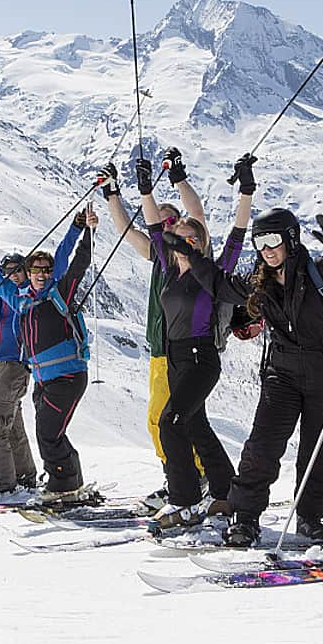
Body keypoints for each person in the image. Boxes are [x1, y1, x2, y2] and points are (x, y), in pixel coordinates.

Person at [177, 207, 323, 547]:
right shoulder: (259, 280)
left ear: (290, 238)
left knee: (318, 451)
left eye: (273, 240)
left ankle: (311, 518)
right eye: (260, 242)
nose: (266, 249)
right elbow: (218, 284)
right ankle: (244, 516)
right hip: (282, 374)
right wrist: (189, 254)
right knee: (262, 447)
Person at [138, 153, 255, 530]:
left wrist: (246, 192)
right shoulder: (168, 267)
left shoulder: (212, 273)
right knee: (194, 426)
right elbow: (154, 226)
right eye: (180, 239)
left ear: (201, 244)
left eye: (193, 238)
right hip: (174, 359)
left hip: (200, 358)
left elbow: (237, 235)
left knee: (171, 423)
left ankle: (185, 501)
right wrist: (145, 190)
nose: (185, 243)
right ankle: (224, 491)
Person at [100, 146, 207, 508]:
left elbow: (196, 214)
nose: (162, 227)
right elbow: (127, 229)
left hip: (186, 350)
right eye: (158, 224)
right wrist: (114, 195)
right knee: (168, 420)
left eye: (168, 222)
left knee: (167, 419)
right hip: (161, 350)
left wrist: (177, 179)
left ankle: (189, 479)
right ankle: (183, 476)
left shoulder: (191, 252)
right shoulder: (159, 255)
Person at [0, 210, 82, 496]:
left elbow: (63, 258)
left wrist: (75, 229)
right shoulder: (9, 291)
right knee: (12, 421)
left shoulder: (32, 293)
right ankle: (23, 474)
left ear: (27, 271)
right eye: (9, 271)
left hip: (17, 364)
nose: (12, 274)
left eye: (18, 270)